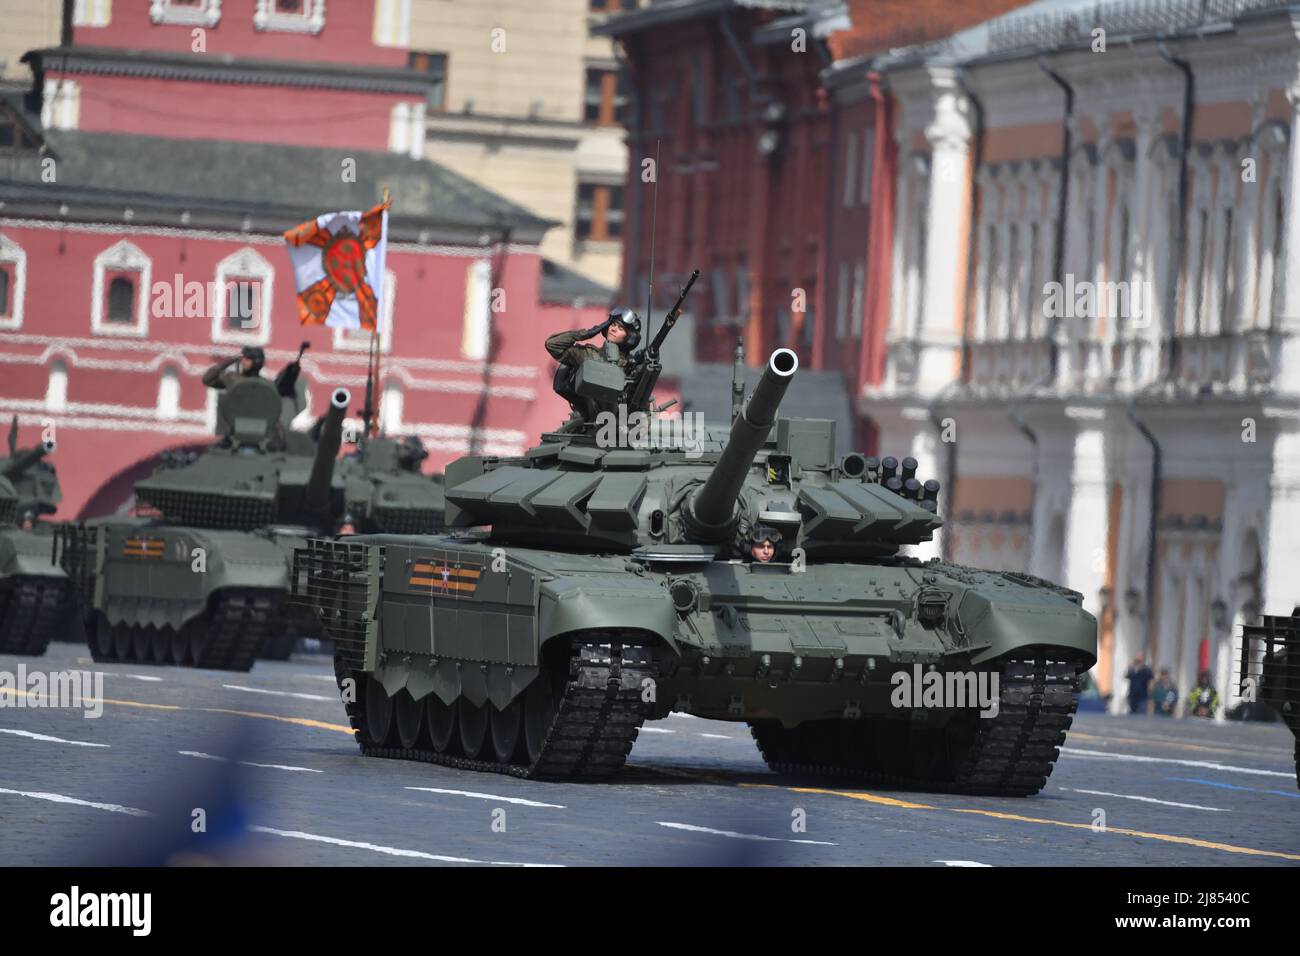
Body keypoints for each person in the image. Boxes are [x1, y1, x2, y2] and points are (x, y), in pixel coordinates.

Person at [545, 308, 642, 424]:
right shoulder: (589, 355)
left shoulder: (632, 365)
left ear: (629, 337)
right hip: (592, 424)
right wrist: (587, 333)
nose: (613, 329)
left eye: (620, 328)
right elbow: (552, 344)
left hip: (620, 427)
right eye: (613, 324)